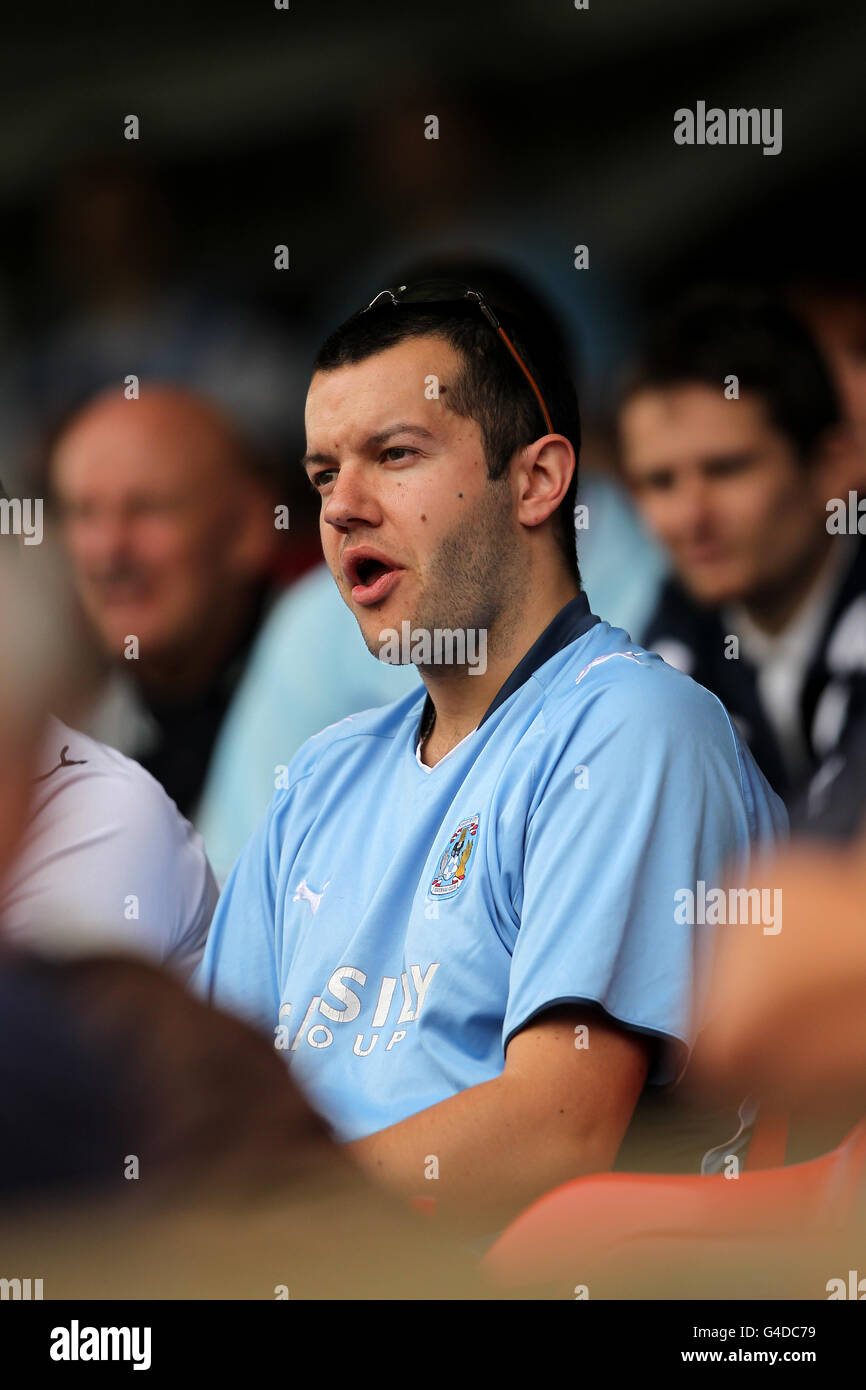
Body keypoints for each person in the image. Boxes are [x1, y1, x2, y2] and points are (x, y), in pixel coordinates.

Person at [196, 274, 787, 1235]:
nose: (342, 507)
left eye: (394, 455)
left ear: (539, 480)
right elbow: (205, 1113)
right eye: (320, 477)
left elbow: (558, 1129)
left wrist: (267, 1216)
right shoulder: (315, 779)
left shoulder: (632, 728)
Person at [620, 287, 865, 806]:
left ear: (833, 466)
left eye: (727, 469)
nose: (692, 516)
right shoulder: (671, 645)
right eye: (661, 482)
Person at [48, 384, 283, 821]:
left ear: (247, 527)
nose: (109, 551)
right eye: (84, 512)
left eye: (148, 509)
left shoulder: (349, 704)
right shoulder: (45, 742)